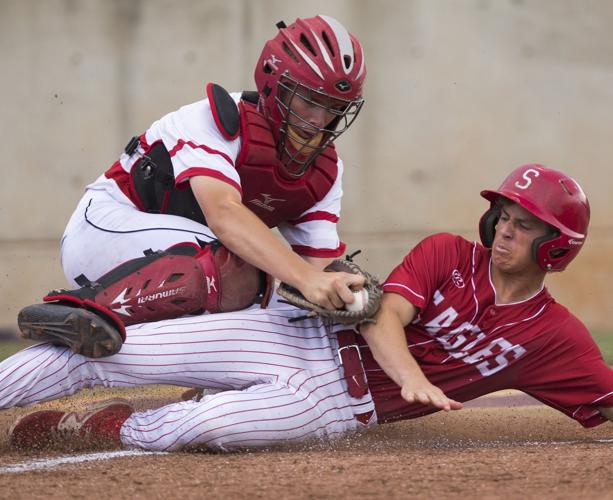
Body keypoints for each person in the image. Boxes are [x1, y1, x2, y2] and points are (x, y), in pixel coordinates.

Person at [3, 164, 611, 452]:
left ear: (557, 247)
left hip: (337, 403)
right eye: (503, 217)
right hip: (293, 334)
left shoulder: (554, 337)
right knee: (101, 345)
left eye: (526, 225)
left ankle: (103, 426)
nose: (505, 231)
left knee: (202, 429)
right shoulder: (447, 253)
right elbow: (383, 315)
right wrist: (412, 378)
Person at [17, 15, 369, 358]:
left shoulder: (326, 168)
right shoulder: (216, 119)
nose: (319, 120)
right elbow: (224, 215)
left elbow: (315, 272)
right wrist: (307, 280)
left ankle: (208, 386)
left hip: (181, 257)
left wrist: (344, 294)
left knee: (277, 301)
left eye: (334, 107)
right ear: (276, 84)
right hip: (104, 231)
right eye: (310, 100)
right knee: (240, 268)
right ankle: (77, 309)